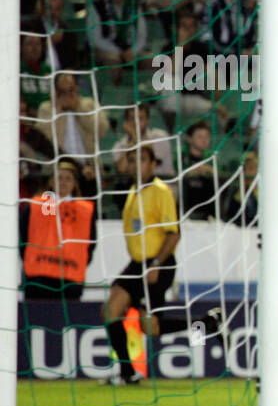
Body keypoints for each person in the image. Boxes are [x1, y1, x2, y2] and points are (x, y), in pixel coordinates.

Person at [103, 145, 222, 385]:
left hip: (158, 263)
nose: (136, 165)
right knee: (111, 311)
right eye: (132, 160)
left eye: (142, 160)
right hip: (136, 265)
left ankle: (206, 321)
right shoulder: (133, 191)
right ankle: (127, 373)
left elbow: (174, 234)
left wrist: (156, 264)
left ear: (152, 164)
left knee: (151, 328)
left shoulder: (161, 191)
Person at [20, 159, 97, 302]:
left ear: (74, 184)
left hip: (69, 281)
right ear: (51, 181)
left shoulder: (84, 211)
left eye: (68, 178)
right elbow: (22, 237)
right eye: (59, 177)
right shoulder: (34, 206)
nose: (63, 182)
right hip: (38, 279)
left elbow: (91, 243)